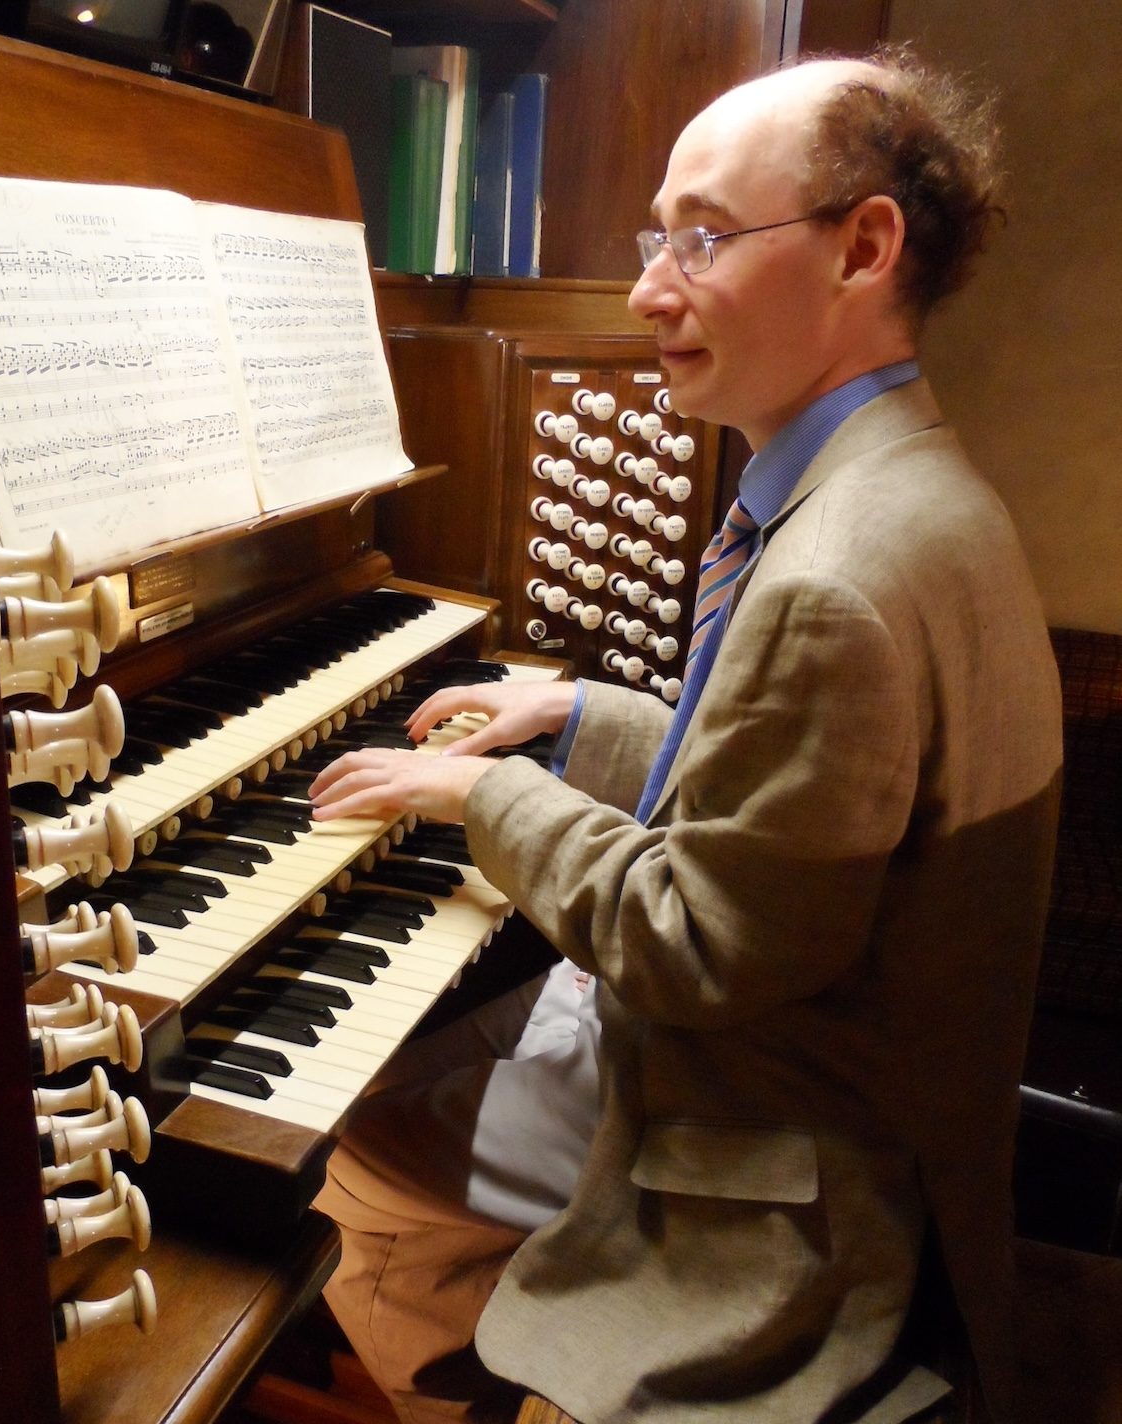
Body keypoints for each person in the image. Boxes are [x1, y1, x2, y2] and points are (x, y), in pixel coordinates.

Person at [308, 45, 1063, 1424]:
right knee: (420, 1046)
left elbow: (689, 936)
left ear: (865, 247)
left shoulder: (837, 574)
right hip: (867, 1075)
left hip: (790, 1170)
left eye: (701, 239)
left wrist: (477, 801)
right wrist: (577, 714)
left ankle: (526, 1392)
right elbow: (805, 792)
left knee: (347, 1154)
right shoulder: (904, 486)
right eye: (656, 238)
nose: (650, 288)